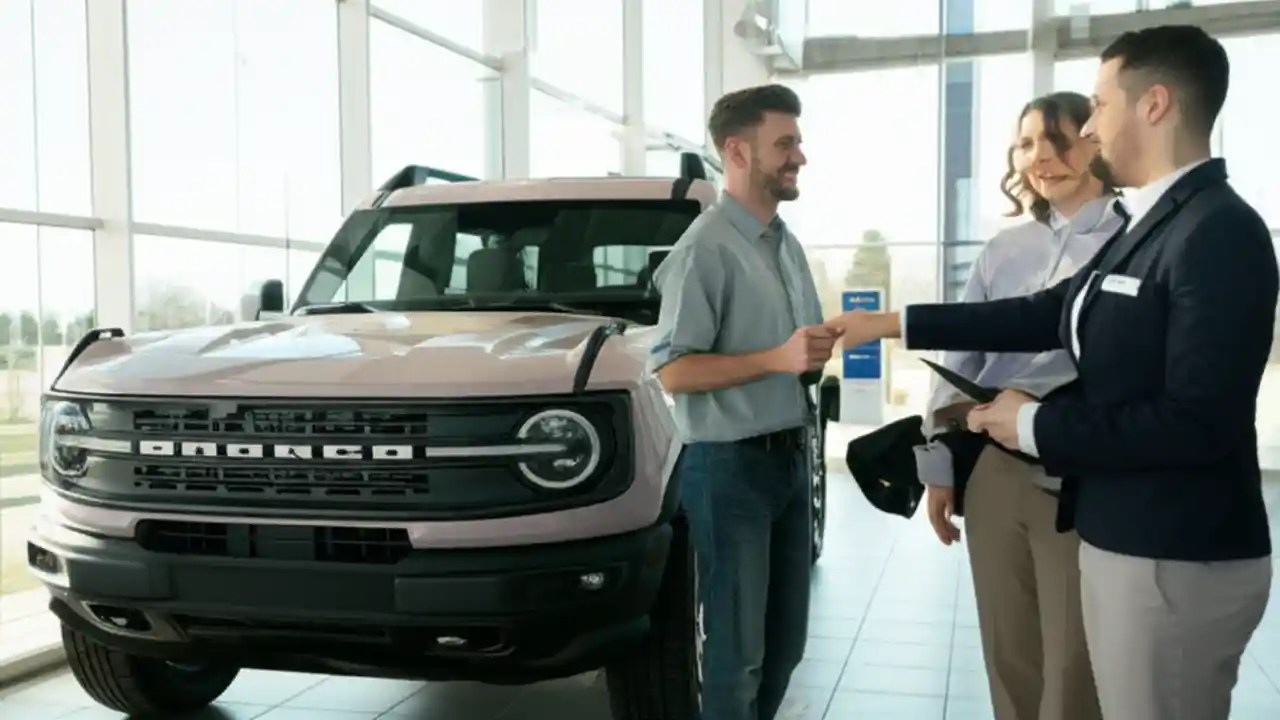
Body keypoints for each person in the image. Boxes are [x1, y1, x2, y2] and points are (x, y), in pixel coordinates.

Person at [830, 25, 1276, 720]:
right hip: (1125, 530)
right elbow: (1044, 313)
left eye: (1098, 106)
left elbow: (1197, 422)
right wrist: (893, 324)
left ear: (1153, 105)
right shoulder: (1157, 228)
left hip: (1171, 545)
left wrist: (1032, 422)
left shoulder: (1216, 230)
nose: (1093, 127)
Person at [917, 91, 1117, 720]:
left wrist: (1031, 392)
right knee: (1009, 655)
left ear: (1097, 144)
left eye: (1059, 140)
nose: (1042, 157)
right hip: (993, 469)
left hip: (1077, 471)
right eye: (1029, 142)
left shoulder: (1133, 242)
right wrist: (939, 468)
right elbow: (956, 364)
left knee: (1072, 662)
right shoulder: (1002, 252)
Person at [647, 83, 838, 720]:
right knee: (736, 656)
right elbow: (672, 370)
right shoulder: (704, 249)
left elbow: (793, 351)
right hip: (728, 470)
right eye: (785, 144)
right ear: (737, 151)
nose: (800, 157)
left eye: (798, 142)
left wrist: (814, 349)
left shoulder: (784, 244)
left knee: (785, 647)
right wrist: (777, 360)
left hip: (787, 460)